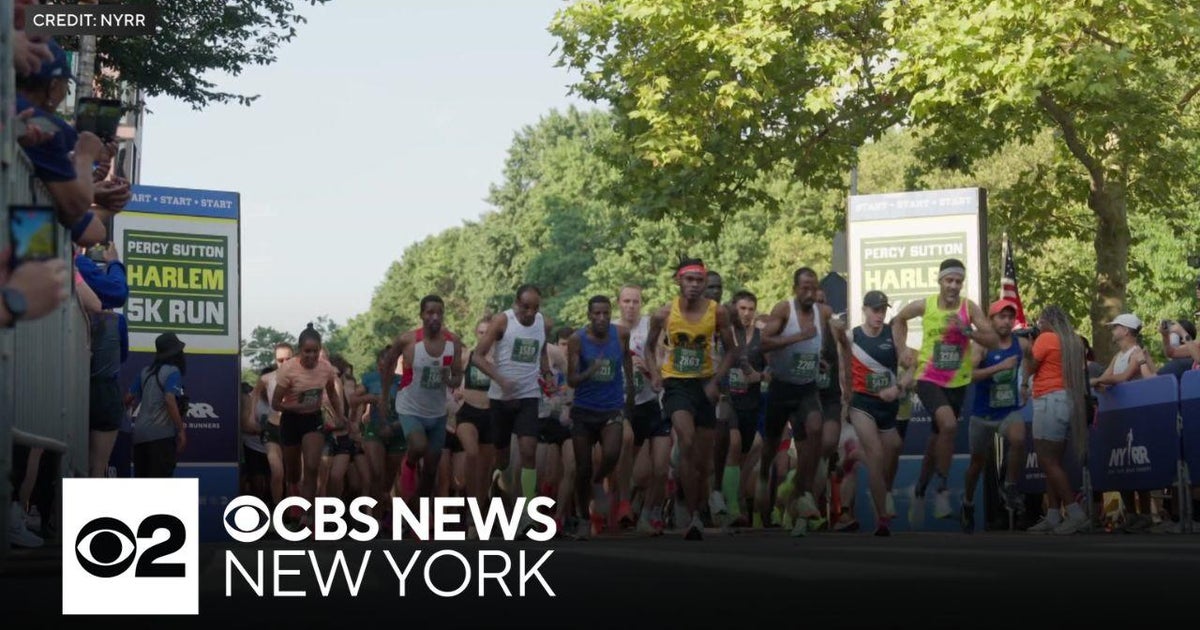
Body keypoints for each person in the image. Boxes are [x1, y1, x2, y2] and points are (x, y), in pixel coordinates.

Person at [892, 258, 999, 525]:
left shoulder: (968, 308)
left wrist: (969, 332)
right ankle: (941, 490)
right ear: (940, 280)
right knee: (949, 426)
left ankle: (919, 490)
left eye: (958, 281)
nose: (953, 286)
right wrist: (902, 349)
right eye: (949, 280)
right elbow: (898, 319)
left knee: (936, 440)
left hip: (957, 382)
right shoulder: (925, 305)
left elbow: (993, 339)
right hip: (928, 377)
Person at [645, 258, 740, 540]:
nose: (695, 285)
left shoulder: (717, 312)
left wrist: (715, 381)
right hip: (676, 384)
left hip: (704, 385)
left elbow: (732, 350)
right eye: (689, 280)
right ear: (679, 281)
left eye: (700, 280)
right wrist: (655, 374)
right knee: (685, 441)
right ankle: (694, 517)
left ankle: (692, 503)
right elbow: (649, 347)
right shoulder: (664, 313)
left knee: (702, 460)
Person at [759, 266, 848, 536]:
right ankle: (764, 483)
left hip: (806, 389)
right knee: (770, 448)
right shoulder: (783, 310)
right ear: (795, 289)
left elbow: (826, 344)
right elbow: (764, 343)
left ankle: (803, 493)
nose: (809, 293)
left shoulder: (824, 313)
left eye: (813, 288)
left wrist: (818, 360)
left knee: (815, 430)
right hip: (781, 389)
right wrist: (797, 337)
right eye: (804, 288)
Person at [471, 285, 554, 525]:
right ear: (516, 303)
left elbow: (542, 352)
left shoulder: (543, 323)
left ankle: (528, 511)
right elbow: (477, 356)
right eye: (526, 307)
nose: (530, 313)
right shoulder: (502, 321)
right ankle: (495, 490)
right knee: (502, 460)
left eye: (535, 308)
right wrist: (501, 380)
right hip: (501, 399)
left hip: (528, 396)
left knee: (529, 451)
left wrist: (547, 374)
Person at [383, 295, 465, 500]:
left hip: (437, 412)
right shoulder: (408, 340)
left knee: (431, 469)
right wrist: (383, 398)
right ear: (421, 315)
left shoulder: (453, 342)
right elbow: (388, 364)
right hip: (410, 407)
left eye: (439, 313)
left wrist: (449, 379)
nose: (435, 317)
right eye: (430, 312)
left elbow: (457, 377)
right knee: (418, 445)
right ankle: (409, 464)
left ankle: (420, 508)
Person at [566, 296, 635, 538]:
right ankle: (584, 519)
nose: (602, 318)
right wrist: (590, 371)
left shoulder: (621, 334)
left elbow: (626, 358)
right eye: (597, 314)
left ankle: (598, 481)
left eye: (606, 313)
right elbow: (571, 380)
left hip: (612, 406)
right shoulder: (577, 340)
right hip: (584, 409)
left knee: (613, 453)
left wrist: (631, 389)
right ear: (589, 315)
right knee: (582, 467)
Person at [962, 299, 1030, 533]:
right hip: (982, 415)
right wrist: (999, 368)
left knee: (1019, 438)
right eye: (1002, 317)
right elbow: (969, 375)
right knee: (977, 464)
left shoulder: (1021, 344)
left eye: (1010, 317)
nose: (1007, 322)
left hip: (1007, 411)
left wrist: (1025, 384)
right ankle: (967, 502)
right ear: (991, 320)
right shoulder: (982, 347)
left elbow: (1030, 359)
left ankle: (1009, 486)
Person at [1024, 306, 1090, 534]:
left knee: (1047, 461)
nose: (1038, 325)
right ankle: (1053, 514)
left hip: (1048, 400)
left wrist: (1028, 349)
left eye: (1039, 321)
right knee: (1053, 461)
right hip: (1066, 399)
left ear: (1047, 321)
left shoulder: (1046, 339)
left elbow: (1029, 367)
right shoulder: (1072, 341)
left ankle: (1075, 512)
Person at [847, 291, 908, 536]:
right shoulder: (852, 336)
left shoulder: (892, 334)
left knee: (894, 447)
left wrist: (899, 387)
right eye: (875, 310)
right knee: (876, 455)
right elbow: (840, 367)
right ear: (864, 310)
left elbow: (912, 366)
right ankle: (882, 517)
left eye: (883, 310)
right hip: (862, 403)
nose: (879, 315)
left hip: (888, 405)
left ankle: (882, 487)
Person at [1090, 313, 1157, 532]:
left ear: (1126, 330)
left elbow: (1122, 377)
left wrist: (1098, 380)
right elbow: (1108, 377)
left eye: (1116, 327)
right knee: (1122, 465)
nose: (1113, 330)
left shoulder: (1137, 353)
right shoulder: (1118, 355)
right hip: (1118, 415)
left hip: (1136, 415)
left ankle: (1145, 514)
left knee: (1137, 464)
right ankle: (1131, 515)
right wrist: (1101, 382)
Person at [272, 324, 346, 524]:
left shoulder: (326, 368)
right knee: (293, 472)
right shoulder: (289, 369)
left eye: (315, 351)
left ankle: (307, 515)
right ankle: (293, 497)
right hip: (291, 419)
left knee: (312, 467)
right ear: (300, 350)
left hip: (313, 419)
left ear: (320, 349)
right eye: (307, 351)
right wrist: (296, 406)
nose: (311, 355)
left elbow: (332, 393)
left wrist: (340, 416)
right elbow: (275, 403)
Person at [618, 285, 672, 535]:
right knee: (638, 470)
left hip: (653, 402)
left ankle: (647, 514)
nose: (631, 306)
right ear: (619, 303)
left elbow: (664, 361)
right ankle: (623, 503)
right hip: (625, 404)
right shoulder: (613, 329)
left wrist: (648, 368)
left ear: (641, 303)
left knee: (660, 469)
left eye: (635, 301)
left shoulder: (651, 326)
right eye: (626, 301)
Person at [721, 290, 766, 527]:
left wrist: (760, 376)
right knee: (734, 444)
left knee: (745, 453)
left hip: (751, 403)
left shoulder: (761, 338)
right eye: (742, 308)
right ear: (734, 309)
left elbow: (774, 369)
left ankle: (733, 496)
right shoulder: (724, 335)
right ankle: (732, 507)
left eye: (750, 309)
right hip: (727, 401)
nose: (746, 314)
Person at [127, 333, 189, 478]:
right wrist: (181, 430)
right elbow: (169, 399)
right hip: (161, 438)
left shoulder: (145, 371)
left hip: (140, 436)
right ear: (176, 353)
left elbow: (128, 398)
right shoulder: (173, 371)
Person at [456, 318, 496, 511]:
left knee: (485, 468)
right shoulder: (467, 357)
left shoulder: (500, 360)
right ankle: (469, 498)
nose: (484, 336)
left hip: (491, 414)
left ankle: (477, 509)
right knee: (472, 452)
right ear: (476, 334)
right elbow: (450, 376)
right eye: (481, 332)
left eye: (488, 332)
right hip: (468, 412)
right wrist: (454, 390)